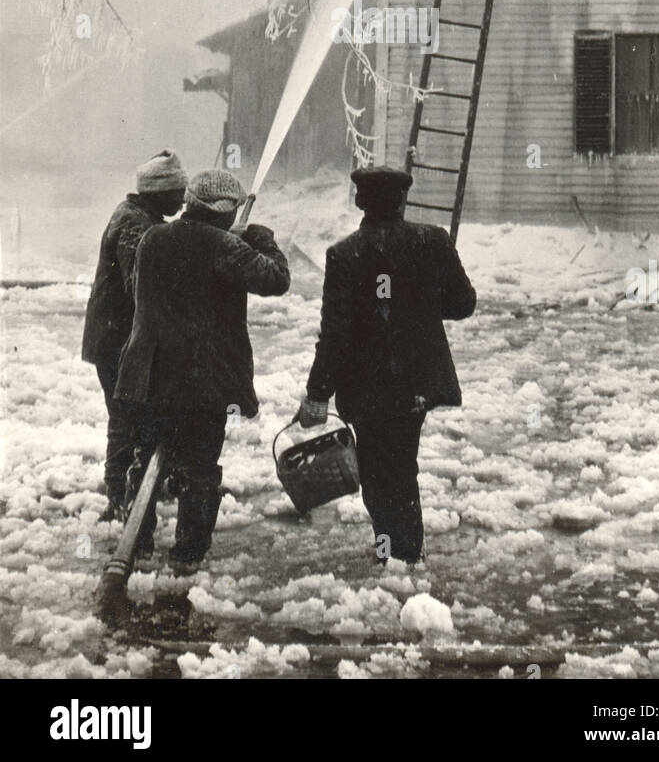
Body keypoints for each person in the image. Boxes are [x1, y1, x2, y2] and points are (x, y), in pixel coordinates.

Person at [297, 165, 476, 566]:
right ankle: (404, 552)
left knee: (379, 474)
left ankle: (397, 554)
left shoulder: (344, 254)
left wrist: (317, 393)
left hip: (368, 386)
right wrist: (420, 308)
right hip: (419, 382)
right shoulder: (433, 240)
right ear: (402, 200)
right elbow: (463, 303)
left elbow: (336, 334)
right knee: (400, 466)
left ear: (361, 202)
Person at [115, 169, 290, 573]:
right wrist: (259, 237)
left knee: (145, 459)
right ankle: (188, 554)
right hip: (202, 380)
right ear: (225, 213)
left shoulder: (152, 238)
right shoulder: (225, 245)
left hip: (147, 374)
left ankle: (137, 544)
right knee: (199, 468)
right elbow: (276, 278)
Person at [82, 149, 188, 522]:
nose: (183, 199)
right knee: (126, 419)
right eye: (178, 192)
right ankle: (119, 497)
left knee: (130, 417)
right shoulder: (133, 227)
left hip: (119, 339)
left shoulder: (138, 217)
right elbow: (138, 283)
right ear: (157, 192)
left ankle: (135, 489)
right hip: (117, 344)